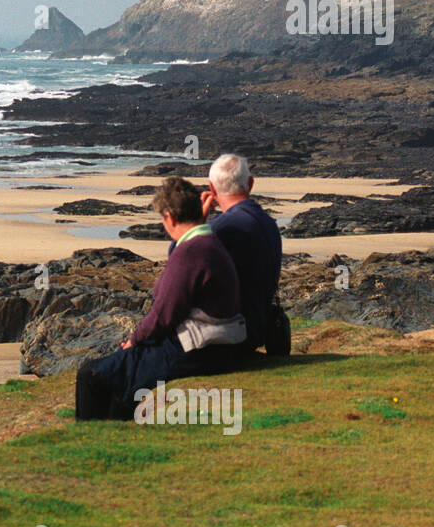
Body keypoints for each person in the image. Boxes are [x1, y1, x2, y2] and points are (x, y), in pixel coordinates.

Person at [76, 177, 249, 421]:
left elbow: (164, 315)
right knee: (122, 380)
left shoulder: (190, 252)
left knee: (90, 374)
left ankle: (87, 441)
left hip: (198, 349)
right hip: (218, 343)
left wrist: (133, 340)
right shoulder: (207, 243)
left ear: (169, 217)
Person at [200, 154, 285, 355]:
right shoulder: (269, 223)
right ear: (250, 183)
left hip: (226, 336)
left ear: (211, 189)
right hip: (257, 327)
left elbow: (177, 257)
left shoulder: (220, 229)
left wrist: (196, 222)